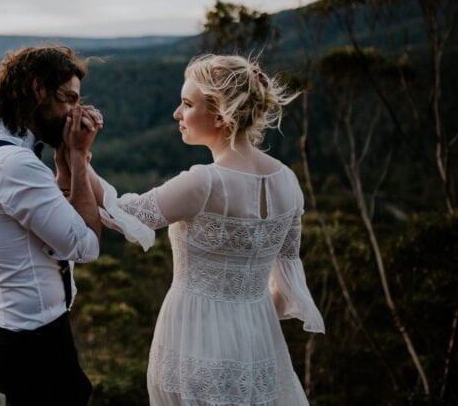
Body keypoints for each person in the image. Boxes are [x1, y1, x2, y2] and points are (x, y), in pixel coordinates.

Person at [75, 54, 325, 405]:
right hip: (260, 342)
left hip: (192, 339)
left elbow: (121, 213)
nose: (177, 114)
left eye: (187, 104)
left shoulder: (204, 182)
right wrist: (242, 314)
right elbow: (284, 290)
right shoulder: (288, 181)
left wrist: (78, 156)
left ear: (221, 116)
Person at [0, 45, 104, 406]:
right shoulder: (13, 164)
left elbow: (42, 219)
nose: (75, 111)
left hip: (4, 331)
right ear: (38, 90)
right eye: (68, 98)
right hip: (32, 343)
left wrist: (64, 167)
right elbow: (85, 246)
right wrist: (79, 157)